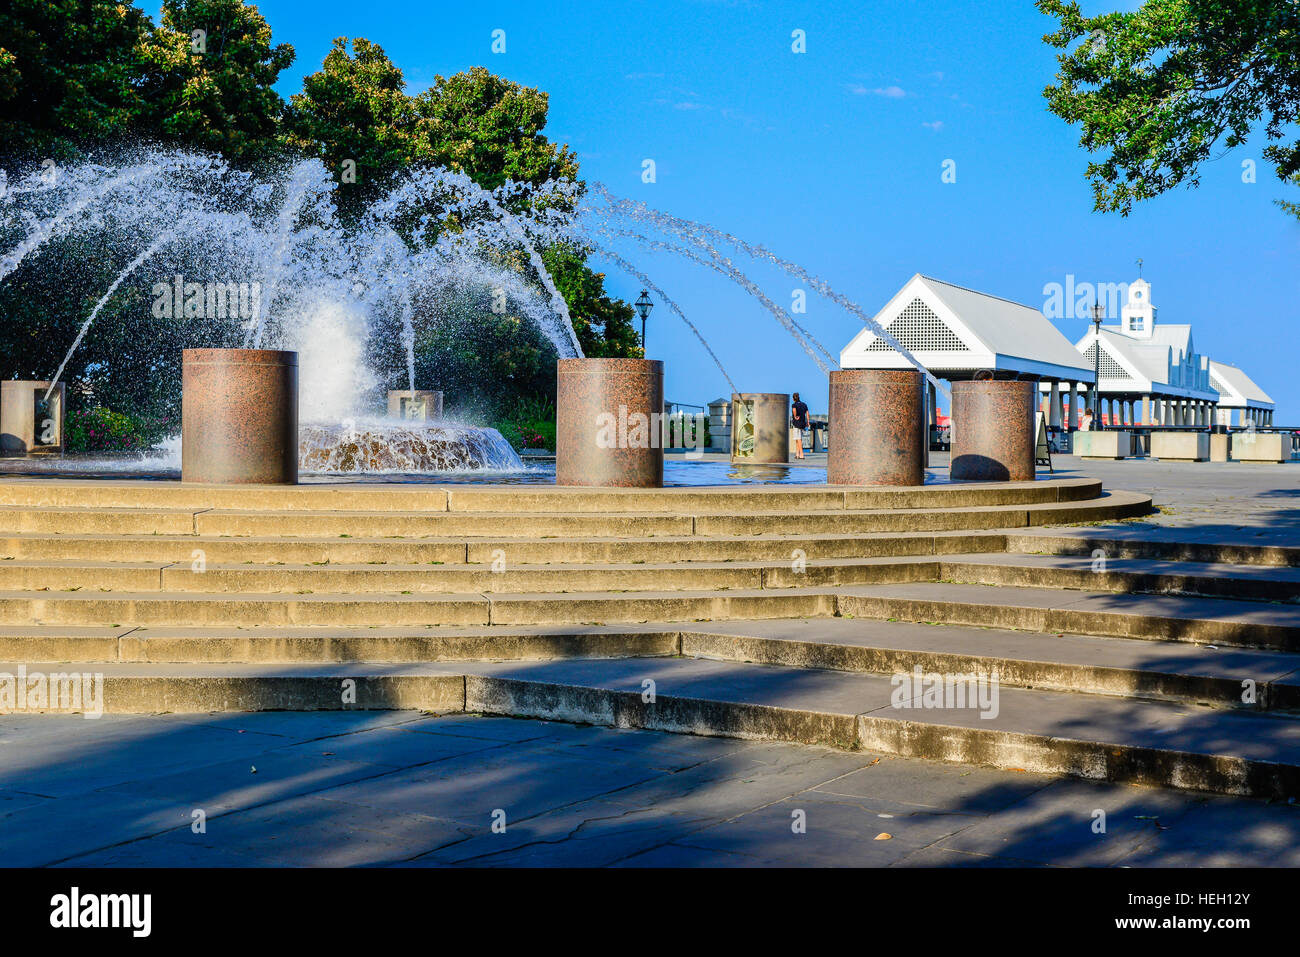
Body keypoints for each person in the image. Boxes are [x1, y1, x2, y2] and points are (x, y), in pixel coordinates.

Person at [790, 392, 809, 460]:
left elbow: (794, 410)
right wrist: (808, 422)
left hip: (797, 423)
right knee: (797, 439)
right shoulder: (804, 404)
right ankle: (797, 454)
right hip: (803, 423)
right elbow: (807, 413)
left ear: (793, 398)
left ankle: (801, 454)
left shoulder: (794, 405)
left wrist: (795, 416)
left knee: (798, 439)